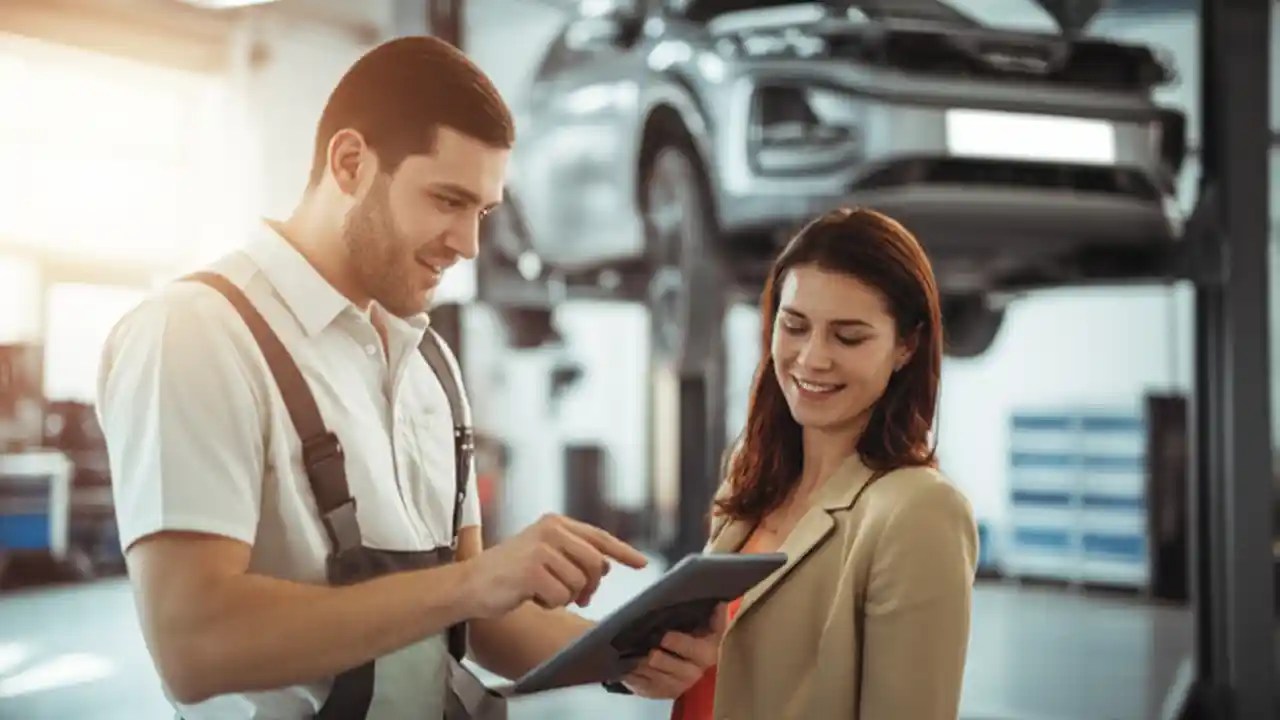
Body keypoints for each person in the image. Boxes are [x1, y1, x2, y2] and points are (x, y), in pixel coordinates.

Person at [96, 36, 721, 719]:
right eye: (447, 200)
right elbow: (196, 645)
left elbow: (473, 622)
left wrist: (626, 657)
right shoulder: (197, 333)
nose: (470, 244)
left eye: (482, 212)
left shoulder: (428, 361)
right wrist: (474, 580)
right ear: (350, 162)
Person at [671, 207, 979, 720]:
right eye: (794, 326)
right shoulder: (754, 470)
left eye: (848, 336)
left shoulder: (919, 511)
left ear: (907, 345)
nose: (812, 359)